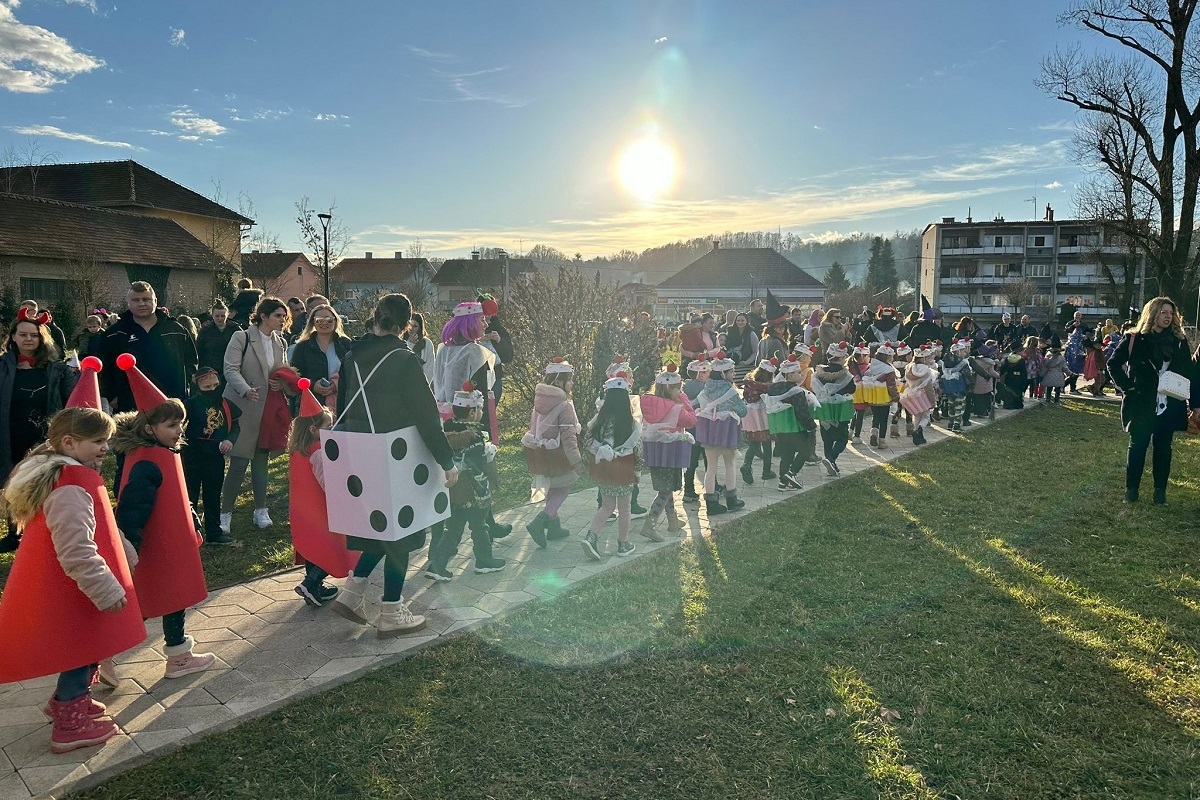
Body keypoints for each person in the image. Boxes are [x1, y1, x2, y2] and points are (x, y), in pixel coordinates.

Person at [0, 401, 146, 754]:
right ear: (69, 442)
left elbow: (101, 526)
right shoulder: (68, 487)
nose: (106, 448)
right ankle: (70, 722)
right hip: (79, 589)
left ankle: (68, 702)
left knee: (87, 646)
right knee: (83, 648)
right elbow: (76, 548)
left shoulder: (70, 478)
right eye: (97, 441)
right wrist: (105, 588)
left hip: (80, 586)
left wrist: (124, 553)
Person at [329, 294, 458, 637]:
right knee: (401, 531)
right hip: (398, 454)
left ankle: (353, 591)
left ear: (375, 318)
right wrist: (446, 460)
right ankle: (391, 611)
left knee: (381, 528)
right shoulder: (404, 359)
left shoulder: (352, 356)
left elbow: (344, 407)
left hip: (362, 452)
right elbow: (426, 416)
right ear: (406, 326)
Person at [111, 355, 214, 680]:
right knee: (154, 601)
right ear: (148, 428)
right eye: (171, 425)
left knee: (170, 600)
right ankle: (95, 659)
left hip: (167, 546)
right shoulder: (148, 462)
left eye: (180, 423)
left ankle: (178, 657)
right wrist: (129, 545)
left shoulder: (160, 454)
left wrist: (192, 521)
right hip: (156, 549)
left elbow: (176, 498)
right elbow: (133, 506)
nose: (179, 430)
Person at [1107, 296, 1200, 504]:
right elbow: (1113, 364)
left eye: (1171, 313)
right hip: (1141, 402)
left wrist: (1196, 405)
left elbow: (1191, 373)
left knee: (1163, 447)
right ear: (1152, 313)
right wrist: (1127, 387)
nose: (1168, 317)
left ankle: (1160, 492)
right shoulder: (1135, 339)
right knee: (1138, 445)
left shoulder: (1178, 341)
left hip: (1170, 402)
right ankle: (1131, 491)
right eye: (1163, 312)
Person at [0, 312, 78, 552]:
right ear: (13, 337)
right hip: (10, 434)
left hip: (44, 436)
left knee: (45, 483)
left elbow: (72, 398)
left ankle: (42, 535)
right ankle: (15, 533)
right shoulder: (2, 368)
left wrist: (79, 376)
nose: (28, 339)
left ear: (42, 338)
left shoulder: (56, 370)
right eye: (23, 334)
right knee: (13, 483)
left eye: (34, 335)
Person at [423, 381, 506, 580]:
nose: (481, 413)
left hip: (454, 490)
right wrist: (488, 452)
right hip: (473, 490)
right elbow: (478, 462)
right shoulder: (473, 434)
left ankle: (436, 565)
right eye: (480, 409)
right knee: (480, 526)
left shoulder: (447, 430)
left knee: (453, 529)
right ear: (472, 412)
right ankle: (484, 561)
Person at [221, 297, 291, 532]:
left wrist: (281, 384)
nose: (282, 320)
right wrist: (244, 389)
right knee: (239, 462)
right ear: (263, 316)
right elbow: (230, 368)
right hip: (243, 407)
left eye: (284, 316)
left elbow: (282, 371)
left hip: (268, 408)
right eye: (278, 315)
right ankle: (225, 513)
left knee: (262, 461)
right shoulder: (241, 337)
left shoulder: (280, 342)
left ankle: (261, 509)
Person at [288, 379, 354, 605]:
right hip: (322, 510)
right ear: (313, 430)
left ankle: (314, 590)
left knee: (314, 547)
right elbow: (327, 483)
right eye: (328, 426)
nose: (332, 429)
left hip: (304, 510)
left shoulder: (299, 450)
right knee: (333, 548)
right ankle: (310, 583)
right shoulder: (318, 452)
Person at [99, 282, 198, 413]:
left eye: (146, 299)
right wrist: (111, 395)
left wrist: (184, 387)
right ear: (128, 303)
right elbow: (103, 367)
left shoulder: (176, 330)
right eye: (136, 300)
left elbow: (192, 361)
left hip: (171, 401)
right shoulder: (115, 334)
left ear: (155, 301)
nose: (141, 304)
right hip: (130, 404)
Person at [581, 371, 640, 560]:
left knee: (606, 506)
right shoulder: (631, 423)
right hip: (623, 469)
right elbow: (637, 449)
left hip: (604, 469)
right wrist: (638, 470)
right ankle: (623, 543)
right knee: (625, 509)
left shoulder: (599, 420)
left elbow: (588, 442)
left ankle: (591, 537)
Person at [522, 358, 582, 547]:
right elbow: (569, 437)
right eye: (569, 379)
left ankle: (554, 528)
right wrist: (577, 461)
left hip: (542, 451)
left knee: (553, 487)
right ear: (558, 381)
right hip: (559, 454)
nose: (571, 383)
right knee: (562, 490)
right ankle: (540, 521)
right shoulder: (563, 405)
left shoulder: (540, 401)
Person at [182, 366, 240, 546]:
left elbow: (235, 426)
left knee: (213, 494)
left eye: (215, 386)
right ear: (198, 387)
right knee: (190, 494)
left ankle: (214, 532)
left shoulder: (226, 404)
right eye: (207, 387)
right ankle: (189, 532)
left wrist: (229, 440)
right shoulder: (190, 404)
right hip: (192, 453)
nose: (213, 390)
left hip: (215, 454)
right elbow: (180, 425)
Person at [638, 363, 696, 541]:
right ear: (671, 388)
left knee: (666, 486)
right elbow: (692, 421)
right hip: (671, 450)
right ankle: (650, 524)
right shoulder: (675, 407)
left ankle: (672, 521)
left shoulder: (650, 404)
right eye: (679, 388)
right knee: (666, 489)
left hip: (655, 450)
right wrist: (684, 399)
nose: (680, 391)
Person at [694, 352, 748, 515]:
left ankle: (711, 504)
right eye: (731, 371)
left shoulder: (706, 389)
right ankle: (732, 500)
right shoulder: (730, 392)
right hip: (726, 431)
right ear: (724, 373)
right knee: (729, 464)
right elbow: (743, 411)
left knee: (711, 467)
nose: (734, 374)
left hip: (709, 430)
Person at [765, 354, 817, 490]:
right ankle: (791, 473)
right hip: (795, 428)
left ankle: (783, 483)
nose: (801, 374)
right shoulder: (796, 392)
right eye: (798, 372)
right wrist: (811, 426)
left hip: (780, 427)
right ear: (790, 375)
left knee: (786, 454)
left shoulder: (773, 390)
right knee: (805, 450)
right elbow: (802, 412)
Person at [290, 303, 351, 416]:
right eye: (319, 320)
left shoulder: (346, 344)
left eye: (329, 320)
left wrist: (336, 385)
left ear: (335, 321)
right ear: (313, 322)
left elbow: (353, 374)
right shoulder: (303, 347)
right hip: (312, 404)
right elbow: (295, 378)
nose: (324, 323)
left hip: (342, 404)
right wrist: (313, 385)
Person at [812, 341, 855, 472]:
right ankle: (832, 458)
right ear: (841, 358)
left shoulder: (818, 373)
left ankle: (830, 461)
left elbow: (815, 389)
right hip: (841, 408)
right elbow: (852, 389)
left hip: (824, 408)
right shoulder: (845, 374)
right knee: (842, 437)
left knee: (827, 436)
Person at [740, 358, 777, 484]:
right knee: (767, 444)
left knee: (753, 444)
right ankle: (766, 471)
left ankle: (746, 465)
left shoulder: (749, 383)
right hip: (762, 415)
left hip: (749, 416)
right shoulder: (767, 387)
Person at [479, 293, 514, 408]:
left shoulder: (499, 329)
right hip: (477, 376)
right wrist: (478, 340)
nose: (488, 318)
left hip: (495, 376)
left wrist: (499, 340)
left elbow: (508, 357)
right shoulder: (471, 330)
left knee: (490, 411)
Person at [901, 344, 939, 445]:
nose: (929, 360)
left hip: (912, 394)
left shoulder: (909, 368)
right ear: (923, 358)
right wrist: (932, 401)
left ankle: (917, 434)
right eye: (928, 358)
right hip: (924, 396)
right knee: (926, 416)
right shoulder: (927, 371)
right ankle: (919, 430)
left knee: (917, 415)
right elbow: (929, 387)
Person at [196, 301, 241, 385]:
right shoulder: (205, 331)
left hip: (232, 369)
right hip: (211, 370)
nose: (220, 319)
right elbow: (199, 351)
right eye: (217, 316)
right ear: (212, 316)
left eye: (222, 316)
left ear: (227, 315)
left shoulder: (235, 329)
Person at [939, 339, 972, 431]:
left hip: (949, 388)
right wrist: (969, 386)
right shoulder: (962, 363)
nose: (965, 353)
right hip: (960, 388)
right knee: (959, 407)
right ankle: (957, 425)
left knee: (951, 406)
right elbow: (967, 376)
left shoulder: (945, 363)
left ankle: (950, 423)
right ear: (958, 352)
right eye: (963, 351)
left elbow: (941, 375)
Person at [724, 313, 759, 381]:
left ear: (746, 321)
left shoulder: (751, 334)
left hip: (745, 368)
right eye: (738, 320)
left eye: (742, 320)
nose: (740, 322)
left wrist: (746, 362)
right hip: (730, 367)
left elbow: (755, 352)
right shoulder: (730, 332)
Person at [405, 312, 436, 387]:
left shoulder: (427, 343)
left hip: (421, 384)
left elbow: (430, 367)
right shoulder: (402, 341)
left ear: (420, 328)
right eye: (410, 325)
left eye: (415, 326)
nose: (411, 328)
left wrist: (423, 384)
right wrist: (410, 344)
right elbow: (403, 360)